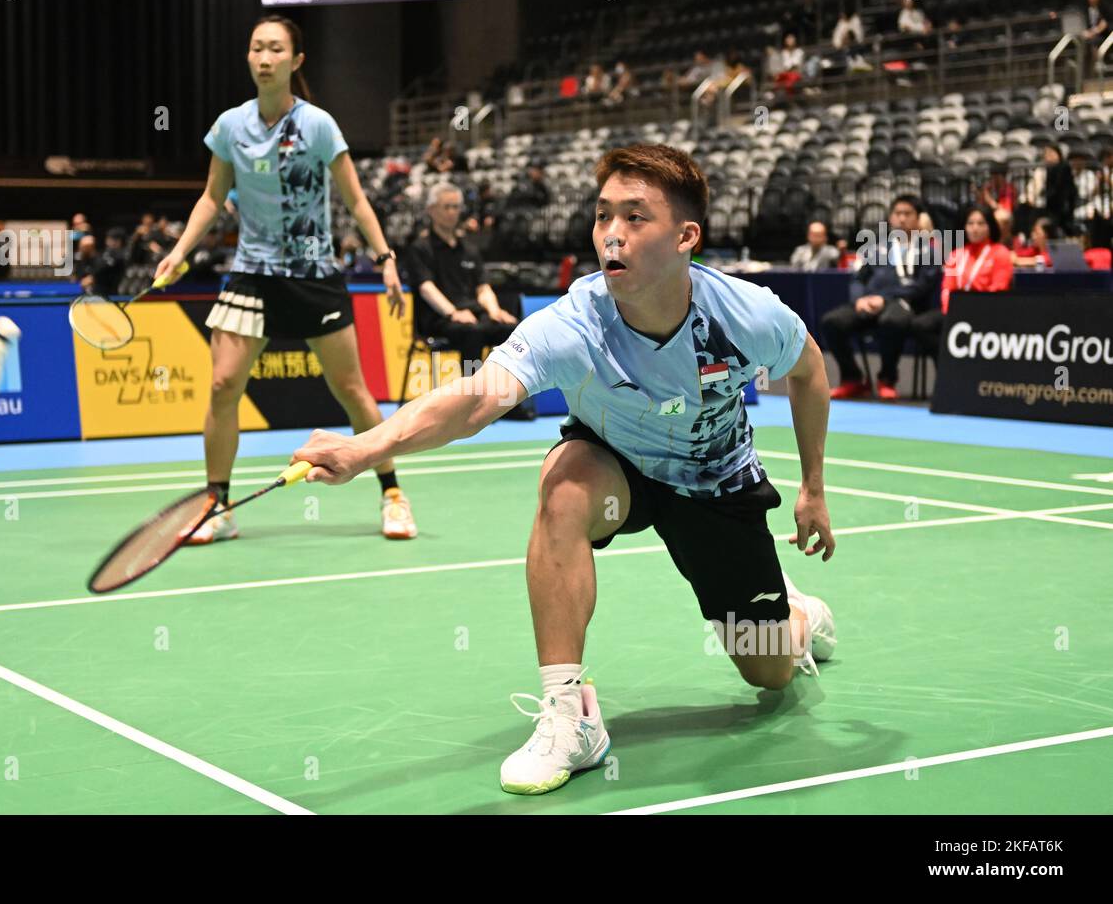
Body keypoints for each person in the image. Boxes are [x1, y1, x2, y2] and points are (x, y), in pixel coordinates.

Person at [291, 143, 837, 796]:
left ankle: (798, 615)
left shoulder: (744, 313)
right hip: (620, 467)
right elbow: (474, 400)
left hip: (714, 484)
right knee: (563, 488)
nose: (612, 232)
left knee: (768, 674)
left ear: (686, 236)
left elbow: (810, 373)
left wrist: (812, 487)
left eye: (636, 217)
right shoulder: (575, 321)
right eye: (603, 214)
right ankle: (569, 715)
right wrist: (363, 450)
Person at [152, 14, 418, 542]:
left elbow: (356, 199)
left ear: (295, 61)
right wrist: (179, 251)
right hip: (251, 272)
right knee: (224, 385)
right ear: (249, 58)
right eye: (257, 49)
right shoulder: (230, 126)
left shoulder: (318, 124)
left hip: (313, 273)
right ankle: (217, 505)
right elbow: (211, 197)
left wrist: (385, 258)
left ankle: (392, 493)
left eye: (276, 49)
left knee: (351, 390)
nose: (265, 58)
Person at [821, 195, 940, 400]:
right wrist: (859, 299)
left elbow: (923, 287)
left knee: (892, 320)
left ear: (918, 218)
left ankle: (887, 378)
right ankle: (853, 378)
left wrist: (884, 299)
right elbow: (858, 278)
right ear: (891, 217)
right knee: (832, 322)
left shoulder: (928, 249)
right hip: (869, 302)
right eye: (897, 213)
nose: (902, 218)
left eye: (908, 213)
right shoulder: (878, 247)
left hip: (904, 305)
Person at [404, 182, 518, 370]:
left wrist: (495, 311)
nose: (452, 212)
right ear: (431, 210)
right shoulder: (420, 248)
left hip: (473, 315)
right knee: (474, 333)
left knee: (511, 329)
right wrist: (453, 313)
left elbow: (483, 288)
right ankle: (472, 393)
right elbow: (426, 288)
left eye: (456, 207)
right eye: (446, 207)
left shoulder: (469, 249)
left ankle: (509, 398)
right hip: (439, 320)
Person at [911, 206, 1013, 358]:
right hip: (954, 312)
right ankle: (945, 364)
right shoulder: (956, 254)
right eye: (970, 224)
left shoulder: (1001, 253)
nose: (975, 228)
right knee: (919, 325)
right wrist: (949, 310)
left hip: (986, 314)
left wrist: (972, 310)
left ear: (990, 226)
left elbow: (998, 291)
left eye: (980, 224)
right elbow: (947, 288)